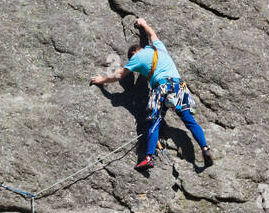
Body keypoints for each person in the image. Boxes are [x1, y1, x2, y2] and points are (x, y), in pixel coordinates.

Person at [90, 18, 214, 173]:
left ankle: (149, 157)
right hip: (178, 87)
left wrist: (101, 80)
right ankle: (205, 147)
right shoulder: (159, 47)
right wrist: (143, 24)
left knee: (154, 122)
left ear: (134, 53)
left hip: (161, 87)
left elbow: (120, 74)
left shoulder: (137, 57)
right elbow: (152, 34)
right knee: (189, 121)